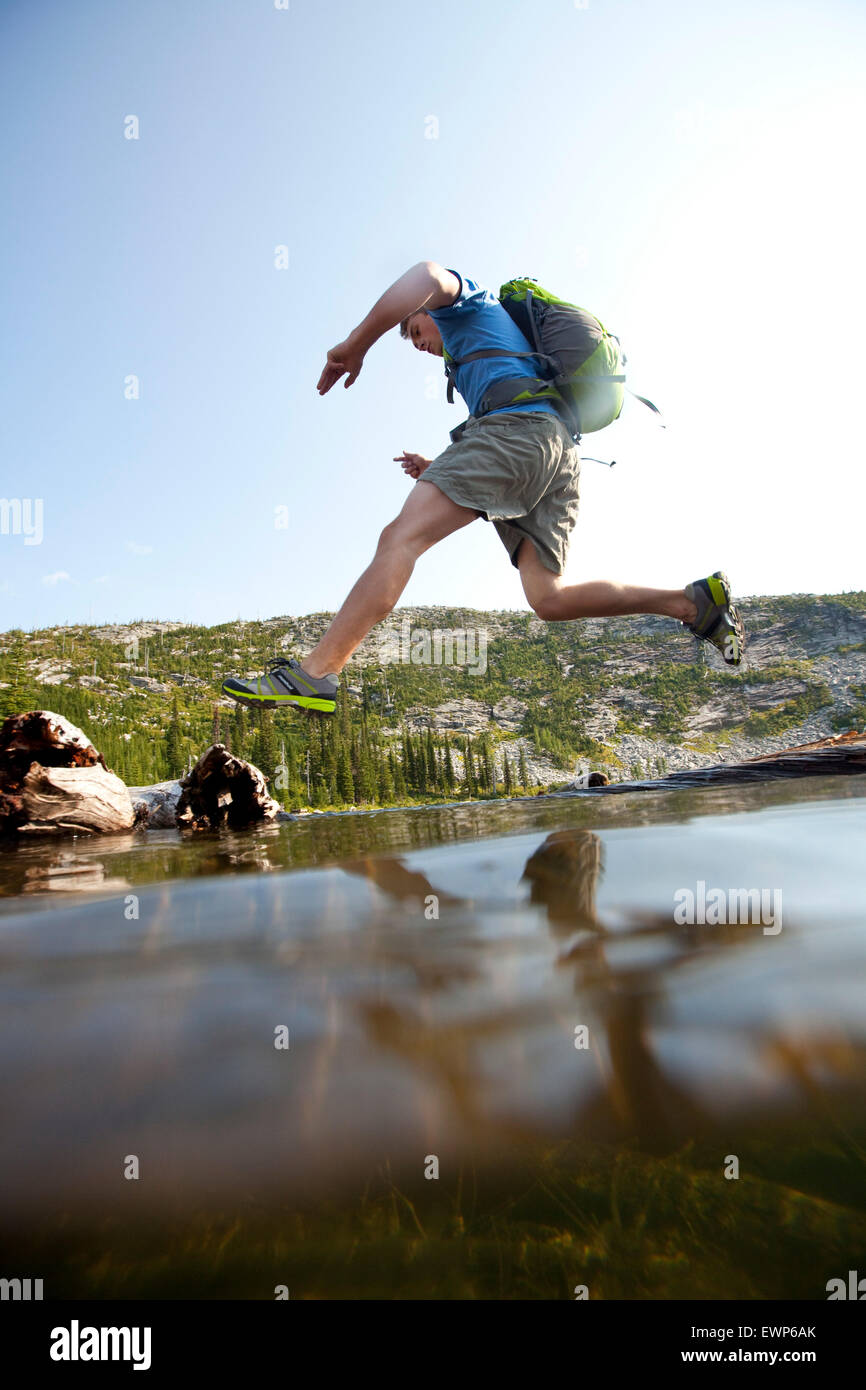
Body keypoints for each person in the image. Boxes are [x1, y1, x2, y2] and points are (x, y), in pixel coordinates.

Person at [222, 261, 744, 713]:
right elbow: (508, 430)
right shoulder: (488, 353)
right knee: (549, 598)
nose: (419, 344)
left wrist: (355, 345)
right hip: (555, 451)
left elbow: (427, 273)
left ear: (427, 311)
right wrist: (440, 464)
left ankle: (316, 673)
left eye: (415, 330)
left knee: (400, 538)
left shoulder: (466, 304)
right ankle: (690, 603)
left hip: (518, 435)